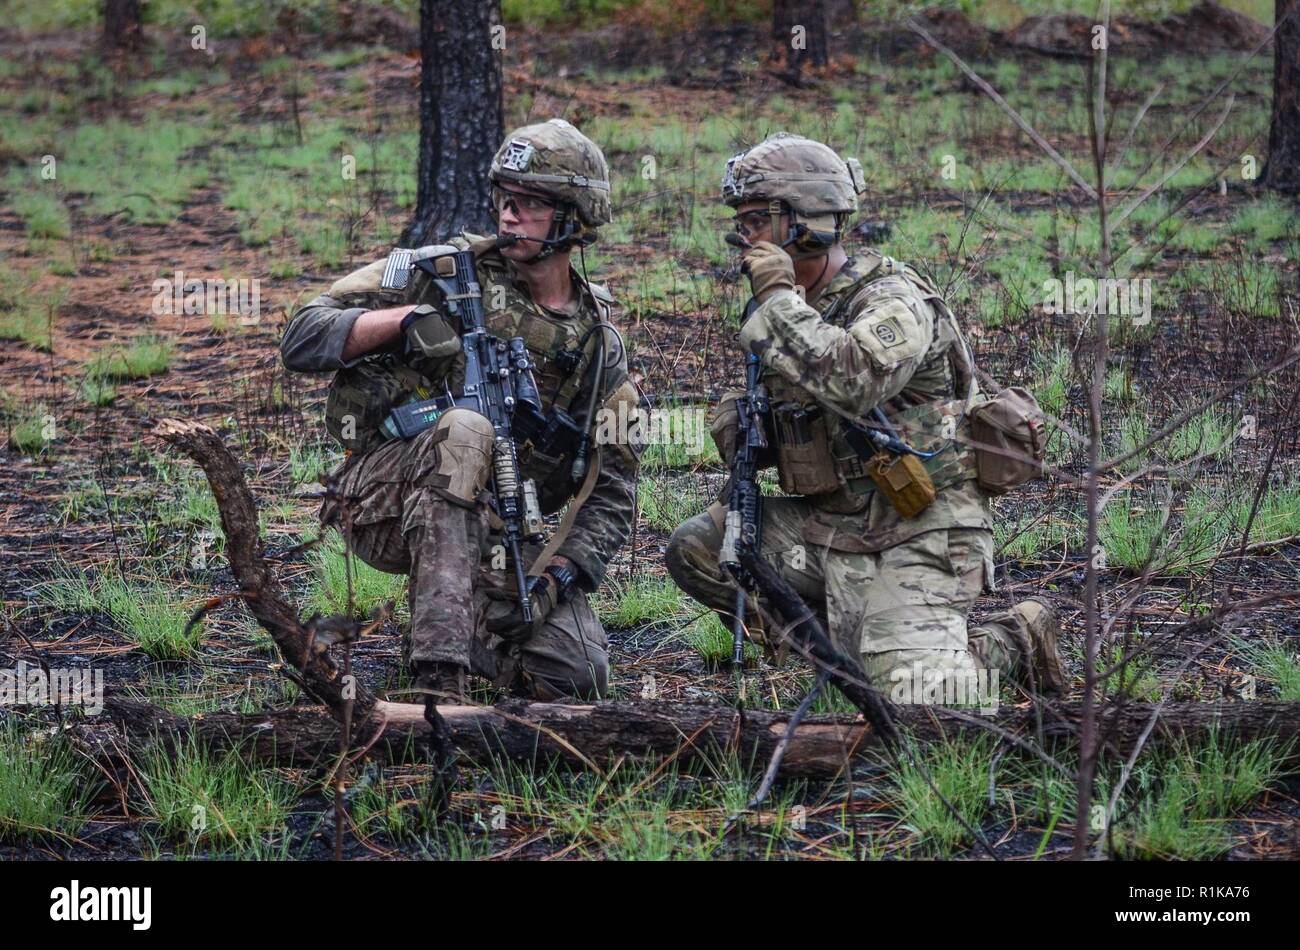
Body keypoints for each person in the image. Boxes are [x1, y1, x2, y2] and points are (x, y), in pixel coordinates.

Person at [666, 132, 1065, 702]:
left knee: (920, 702)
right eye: (742, 221)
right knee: (703, 546)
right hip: (837, 523)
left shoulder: (891, 299)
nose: (743, 236)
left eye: (757, 219)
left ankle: (1014, 640)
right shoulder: (793, 305)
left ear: (806, 221)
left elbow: (850, 379)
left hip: (925, 522)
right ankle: (849, 658)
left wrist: (777, 299)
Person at [281, 119, 641, 703]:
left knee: (578, 677)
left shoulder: (599, 344)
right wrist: (399, 321)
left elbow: (613, 489)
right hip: (383, 499)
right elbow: (302, 337)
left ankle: (456, 623)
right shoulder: (441, 272)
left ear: (573, 217)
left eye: (529, 204)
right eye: (504, 200)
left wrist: (556, 579)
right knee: (467, 430)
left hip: (500, 525)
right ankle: (437, 680)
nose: (508, 215)